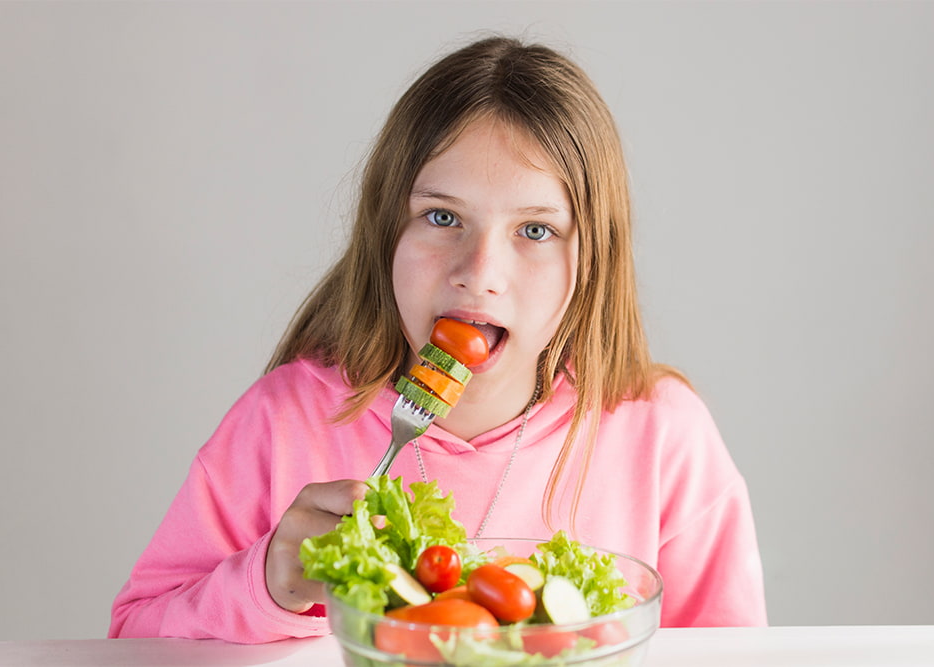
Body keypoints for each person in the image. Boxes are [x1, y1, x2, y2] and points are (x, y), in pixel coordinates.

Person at [110, 35, 767, 643]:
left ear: (591, 259)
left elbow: (734, 653)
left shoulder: (662, 436)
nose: (479, 273)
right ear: (384, 231)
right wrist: (266, 586)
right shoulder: (284, 421)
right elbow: (131, 638)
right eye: (442, 216)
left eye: (535, 229)